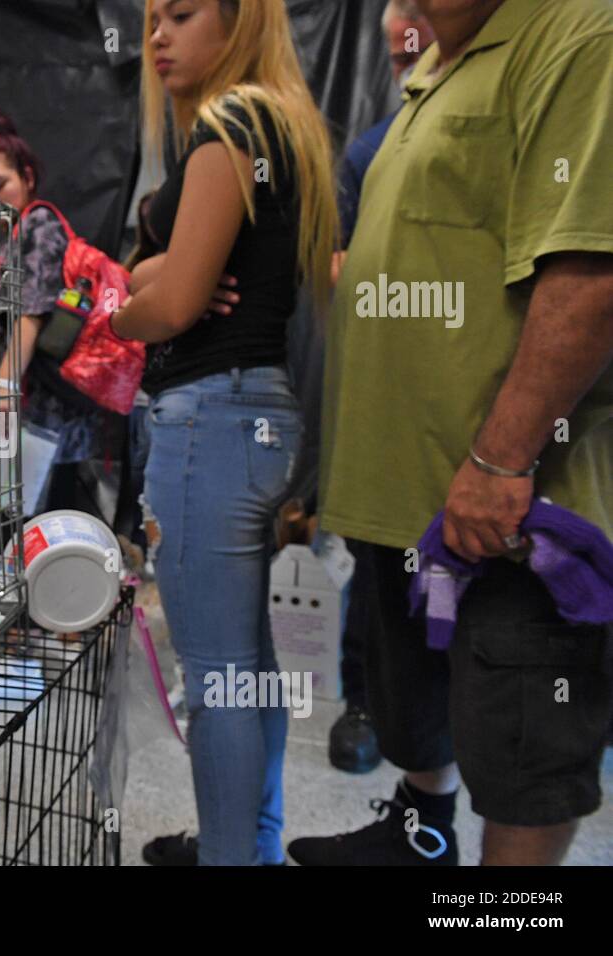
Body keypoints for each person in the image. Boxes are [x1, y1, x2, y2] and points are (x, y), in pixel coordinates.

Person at [294, 0, 613, 866]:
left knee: (526, 757)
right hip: (407, 504)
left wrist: (501, 458)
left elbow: (589, 271)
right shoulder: (435, 67)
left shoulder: (578, 29)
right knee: (420, 712)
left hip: (503, 515)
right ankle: (418, 835)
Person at [110, 0, 338, 865]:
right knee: (243, 666)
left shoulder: (230, 121)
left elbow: (164, 305)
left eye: (182, 13)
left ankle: (232, 858)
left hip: (210, 417)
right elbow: (174, 281)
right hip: (252, 418)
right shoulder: (281, 125)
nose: (159, 36)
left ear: (241, 19)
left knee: (219, 680)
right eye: (152, 20)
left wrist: (126, 307)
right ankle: (252, 848)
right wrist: (162, 280)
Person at [327, 0, 436, 776]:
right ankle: (364, 701)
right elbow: (339, 271)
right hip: (391, 404)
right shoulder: (372, 150)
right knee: (382, 573)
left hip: (469, 412)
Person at [0, 109, 103, 516]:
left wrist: (4, 387)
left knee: (31, 523)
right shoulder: (14, 236)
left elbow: (33, 312)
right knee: (17, 517)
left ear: (27, 177)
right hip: (27, 415)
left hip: (39, 414)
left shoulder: (37, 223)